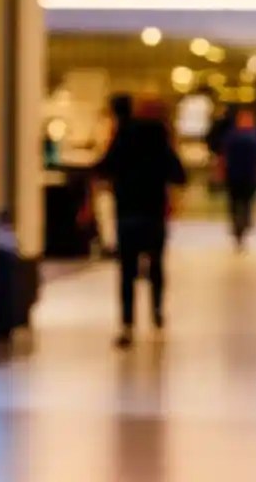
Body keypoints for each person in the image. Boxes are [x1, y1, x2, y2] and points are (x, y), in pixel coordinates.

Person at [95, 95, 186, 349]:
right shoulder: (160, 140)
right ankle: (157, 316)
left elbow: (104, 167)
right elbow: (179, 174)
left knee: (127, 271)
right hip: (154, 212)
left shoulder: (123, 136)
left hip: (127, 212)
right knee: (156, 266)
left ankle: (127, 324)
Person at [222, 107, 256, 251]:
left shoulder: (233, 136)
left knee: (240, 203)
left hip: (241, 176)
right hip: (241, 176)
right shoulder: (252, 137)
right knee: (242, 203)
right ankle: (240, 227)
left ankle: (240, 227)